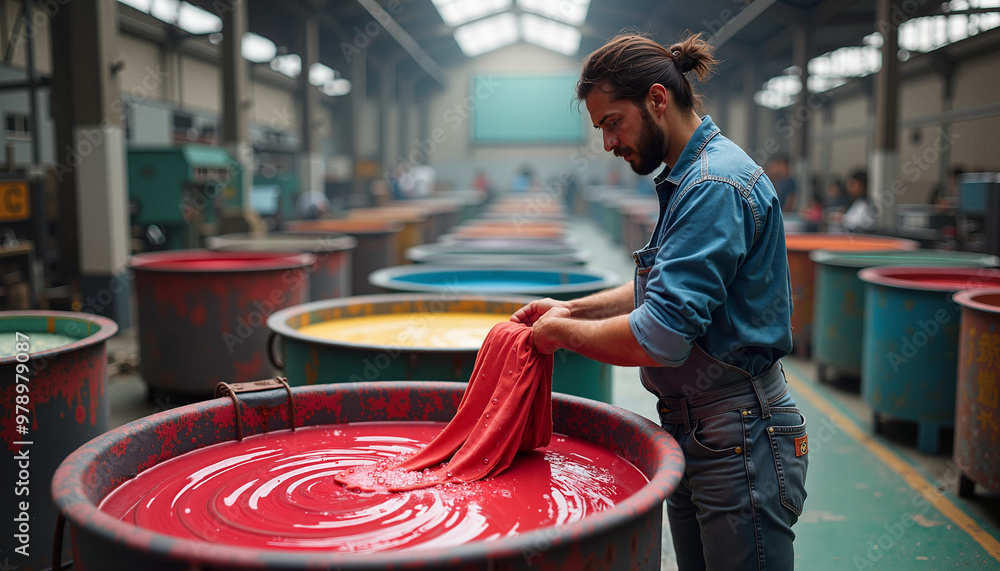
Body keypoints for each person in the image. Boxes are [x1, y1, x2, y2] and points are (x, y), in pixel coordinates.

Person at [511, 32, 808, 570]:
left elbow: (662, 335)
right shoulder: (689, 177)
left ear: (656, 99)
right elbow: (664, 289)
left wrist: (560, 334)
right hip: (702, 429)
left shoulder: (714, 185)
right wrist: (574, 309)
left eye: (611, 123)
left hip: (738, 436)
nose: (607, 142)